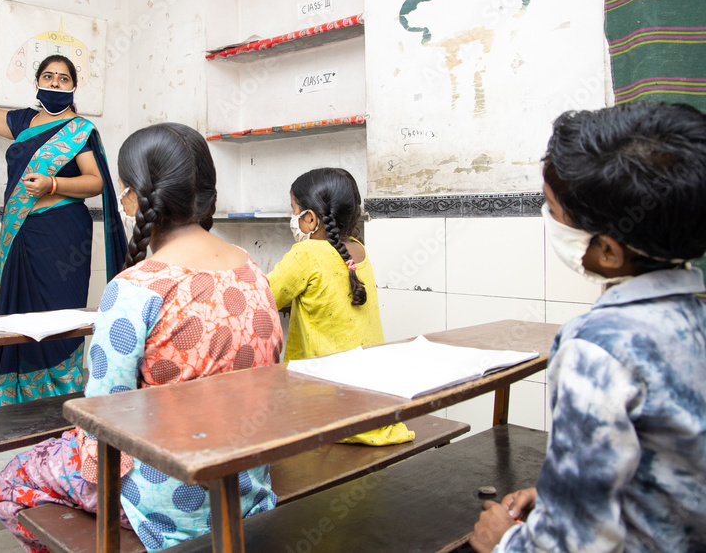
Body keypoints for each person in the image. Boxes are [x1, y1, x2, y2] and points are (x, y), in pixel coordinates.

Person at [0, 123, 285, 552]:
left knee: (14, 481)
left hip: (169, 503)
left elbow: (102, 420)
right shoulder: (252, 271)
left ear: (131, 197)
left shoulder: (136, 288)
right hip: (246, 485)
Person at [470, 101, 706, 552]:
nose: (549, 219)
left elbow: (576, 545)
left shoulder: (594, 349)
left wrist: (507, 542)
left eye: (555, 211)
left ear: (610, 252)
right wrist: (564, 494)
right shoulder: (693, 320)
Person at [0, 44, 127, 407]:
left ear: (73, 87)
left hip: (63, 238)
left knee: (59, 316)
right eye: (48, 77)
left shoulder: (80, 130)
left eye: (63, 79)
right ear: (37, 83)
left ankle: (63, 397)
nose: (55, 84)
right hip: (22, 235)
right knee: (19, 316)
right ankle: (20, 401)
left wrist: (53, 184)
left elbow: (95, 182)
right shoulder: (24, 122)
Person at [267, 167, 413, 446]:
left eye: (293, 210)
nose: (292, 218)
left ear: (310, 219)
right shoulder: (358, 250)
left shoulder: (307, 253)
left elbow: (261, 298)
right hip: (371, 403)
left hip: (328, 409)